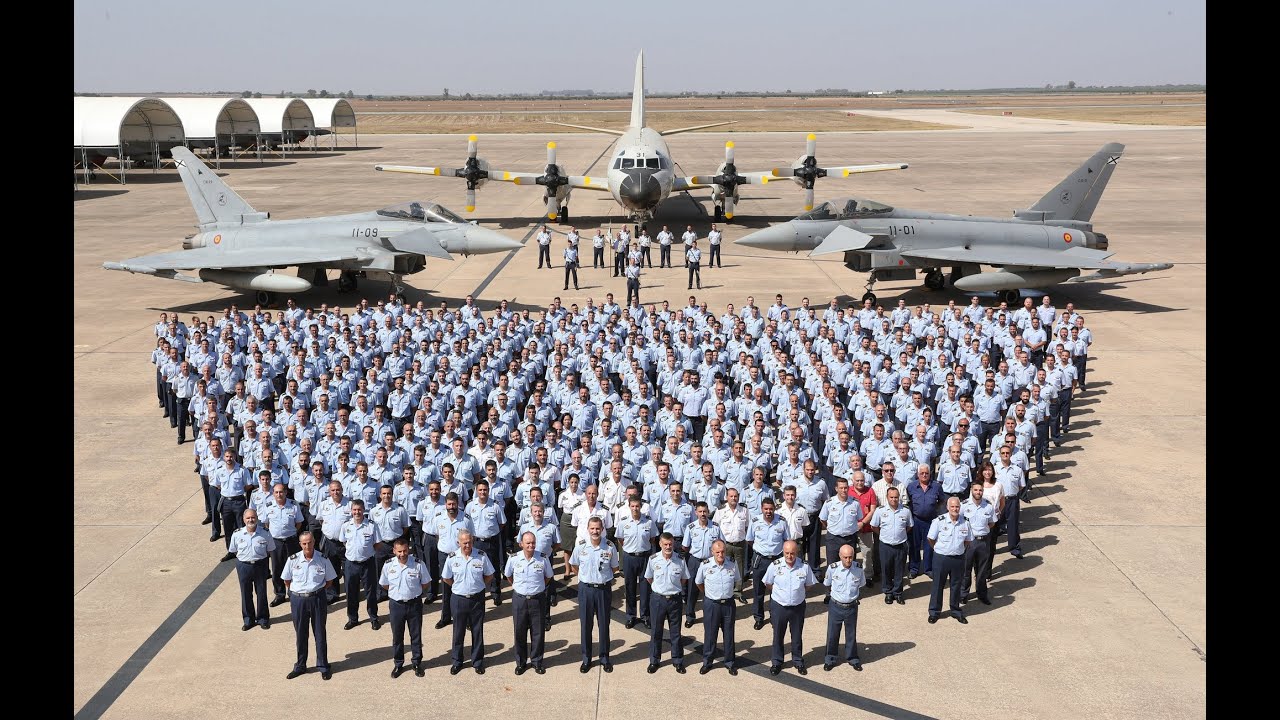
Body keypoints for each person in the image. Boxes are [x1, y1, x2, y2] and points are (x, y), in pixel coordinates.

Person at [282, 531, 336, 680]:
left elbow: (329, 581)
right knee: (301, 633)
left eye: (310, 542)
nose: (307, 546)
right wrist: (296, 593)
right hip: (298, 600)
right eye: (304, 543)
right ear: (300, 544)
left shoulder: (323, 559)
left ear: (314, 542)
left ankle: (323, 666)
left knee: (320, 633)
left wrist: (316, 591)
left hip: (317, 598)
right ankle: (300, 666)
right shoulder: (293, 560)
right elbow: (287, 580)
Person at [442, 529, 496, 674]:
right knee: (458, 631)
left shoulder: (481, 556)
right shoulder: (452, 558)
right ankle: (457, 661)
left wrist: (479, 586)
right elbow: (446, 577)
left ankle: (477, 661)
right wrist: (457, 586)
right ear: (458, 542)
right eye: (464, 542)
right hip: (458, 599)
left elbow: (489, 575)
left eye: (470, 542)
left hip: (477, 599)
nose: (467, 545)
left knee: (477, 631)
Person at [570, 516, 618, 673]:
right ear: (588, 529)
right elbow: (575, 566)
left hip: (603, 590)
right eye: (592, 528)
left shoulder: (610, 547)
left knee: (604, 625)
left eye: (598, 528)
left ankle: (604, 658)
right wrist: (586, 578)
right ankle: (586, 659)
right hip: (586, 590)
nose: (595, 531)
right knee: (586, 625)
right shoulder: (580, 547)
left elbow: (615, 568)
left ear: (602, 530)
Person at [763, 539, 817, 675]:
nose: (789, 556)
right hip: (779, 606)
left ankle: (798, 661)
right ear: (783, 552)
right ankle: (777, 662)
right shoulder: (775, 566)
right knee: (778, 635)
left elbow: (809, 584)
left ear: (797, 552)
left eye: (792, 553)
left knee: (797, 635)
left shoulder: (804, 566)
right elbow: (768, 583)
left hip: (797, 606)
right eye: (786, 553)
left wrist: (797, 594)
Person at [378, 537, 429, 678]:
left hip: (414, 604)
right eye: (399, 551)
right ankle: (398, 663)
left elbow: (425, 583)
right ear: (394, 551)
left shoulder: (418, 564)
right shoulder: (388, 565)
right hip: (396, 605)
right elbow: (384, 584)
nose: (402, 554)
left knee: (416, 635)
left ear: (409, 549)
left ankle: (417, 663)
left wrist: (414, 593)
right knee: (397, 636)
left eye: (405, 550)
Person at [506, 530, 555, 674]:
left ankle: (537, 661)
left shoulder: (543, 558)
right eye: (528, 543)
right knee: (519, 632)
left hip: (537, 599)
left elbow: (548, 577)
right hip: (519, 599)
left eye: (533, 543)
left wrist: (538, 588)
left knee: (538, 632)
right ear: (521, 544)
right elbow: (508, 576)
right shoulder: (514, 559)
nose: (531, 546)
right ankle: (521, 662)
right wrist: (518, 587)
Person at [644, 532, 690, 673]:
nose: (668, 547)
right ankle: (654, 660)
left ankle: (677, 660)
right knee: (656, 632)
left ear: (674, 544)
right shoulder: (653, 559)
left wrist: (673, 589)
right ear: (660, 544)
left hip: (674, 600)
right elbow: (649, 578)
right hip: (658, 599)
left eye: (670, 544)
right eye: (665, 544)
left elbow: (684, 579)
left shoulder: (680, 560)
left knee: (675, 633)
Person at [695, 539, 740, 675]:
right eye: (717, 552)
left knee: (729, 634)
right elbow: (699, 583)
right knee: (710, 634)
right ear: (712, 552)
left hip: (728, 604)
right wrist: (709, 594)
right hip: (712, 604)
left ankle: (730, 662)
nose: (720, 554)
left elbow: (736, 580)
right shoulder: (705, 565)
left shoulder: (732, 564)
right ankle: (707, 662)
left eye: (723, 551)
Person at [927, 496, 974, 624]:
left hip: (958, 558)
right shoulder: (939, 521)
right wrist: (939, 549)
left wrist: (958, 550)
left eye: (957, 506)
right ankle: (934, 612)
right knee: (938, 585)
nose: (955, 509)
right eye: (952, 506)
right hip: (941, 558)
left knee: (956, 585)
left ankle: (955, 610)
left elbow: (968, 541)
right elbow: (931, 539)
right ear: (947, 507)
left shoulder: (965, 522)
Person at [339, 499, 384, 630]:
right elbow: (343, 542)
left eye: (359, 509)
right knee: (351, 592)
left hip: (368, 563)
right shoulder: (346, 526)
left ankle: (374, 618)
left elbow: (377, 543)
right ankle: (352, 619)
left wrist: (366, 552)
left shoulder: (371, 525)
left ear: (364, 510)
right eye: (354, 510)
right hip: (351, 564)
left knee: (371, 592)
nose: (357, 512)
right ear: (351, 511)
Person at [747, 497, 790, 629]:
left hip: (776, 561)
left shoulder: (781, 522)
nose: (768, 511)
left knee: (775, 591)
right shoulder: (755, 521)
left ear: (774, 509)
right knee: (758, 591)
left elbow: (787, 540)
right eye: (766, 509)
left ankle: (774, 616)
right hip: (760, 560)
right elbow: (749, 540)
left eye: (771, 509)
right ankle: (759, 617)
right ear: (762, 509)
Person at [229, 507, 273, 631]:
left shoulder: (265, 533)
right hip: (243, 566)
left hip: (260, 565)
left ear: (257, 518)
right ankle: (248, 620)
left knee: (261, 592)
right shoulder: (237, 534)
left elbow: (270, 549)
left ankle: (263, 618)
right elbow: (233, 550)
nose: (250, 520)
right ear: (243, 520)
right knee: (245, 593)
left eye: (253, 517)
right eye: (248, 518)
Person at [822, 544, 866, 671]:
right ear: (840, 556)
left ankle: (853, 658)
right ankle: (830, 658)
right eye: (845, 557)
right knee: (832, 634)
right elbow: (827, 583)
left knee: (851, 633)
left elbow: (861, 584)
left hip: (852, 606)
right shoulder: (832, 568)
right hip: (836, 606)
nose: (848, 560)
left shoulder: (858, 568)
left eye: (851, 557)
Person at [617, 495, 656, 629]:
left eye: (637, 506)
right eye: (632, 506)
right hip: (630, 557)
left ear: (641, 507)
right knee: (630, 587)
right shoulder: (623, 522)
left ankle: (645, 616)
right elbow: (621, 539)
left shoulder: (648, 522)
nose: (635, 509)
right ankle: (630, 616)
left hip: (645, 557)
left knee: (645, 588)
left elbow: (652, 539)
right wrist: (630, 549)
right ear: (629, 507)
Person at [263, 482, 304, 606]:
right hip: (276, 542)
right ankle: (279, 594)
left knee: (294, 568)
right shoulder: (268, 506)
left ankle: (293, 592)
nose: (279, 494)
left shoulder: (293, 505)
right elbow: (266, 524)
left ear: (286, 492)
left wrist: (291, 533)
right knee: (277, 569)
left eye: (281, 492)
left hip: (291, 541)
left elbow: (299, 523)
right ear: (273, 494)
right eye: (276, 492)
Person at [870, 487, 912, 604]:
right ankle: (888, 592)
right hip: (886, 545)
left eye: (896, 497)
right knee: (886, 569)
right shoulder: (880, 511)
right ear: (887, 498)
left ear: (899, 498)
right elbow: (874, 526)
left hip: (900, 545)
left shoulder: (906, 511)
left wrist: (899, 535)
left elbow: (909, 526)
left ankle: (898, 593)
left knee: (899, 570)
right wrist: (883, 535)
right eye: (891, 497)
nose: (894, 500)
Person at [960, 480, 997, 605]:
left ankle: (982, 594)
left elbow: (992, 523)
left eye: (980, 490)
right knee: (966, 569)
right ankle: (963, 594)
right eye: (976, 490)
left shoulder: (988, 506)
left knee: (981, 571)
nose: (978, 492)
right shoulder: (964, 505)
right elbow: (958, 521)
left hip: (983, 542)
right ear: (971, 490)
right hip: (969, 542)